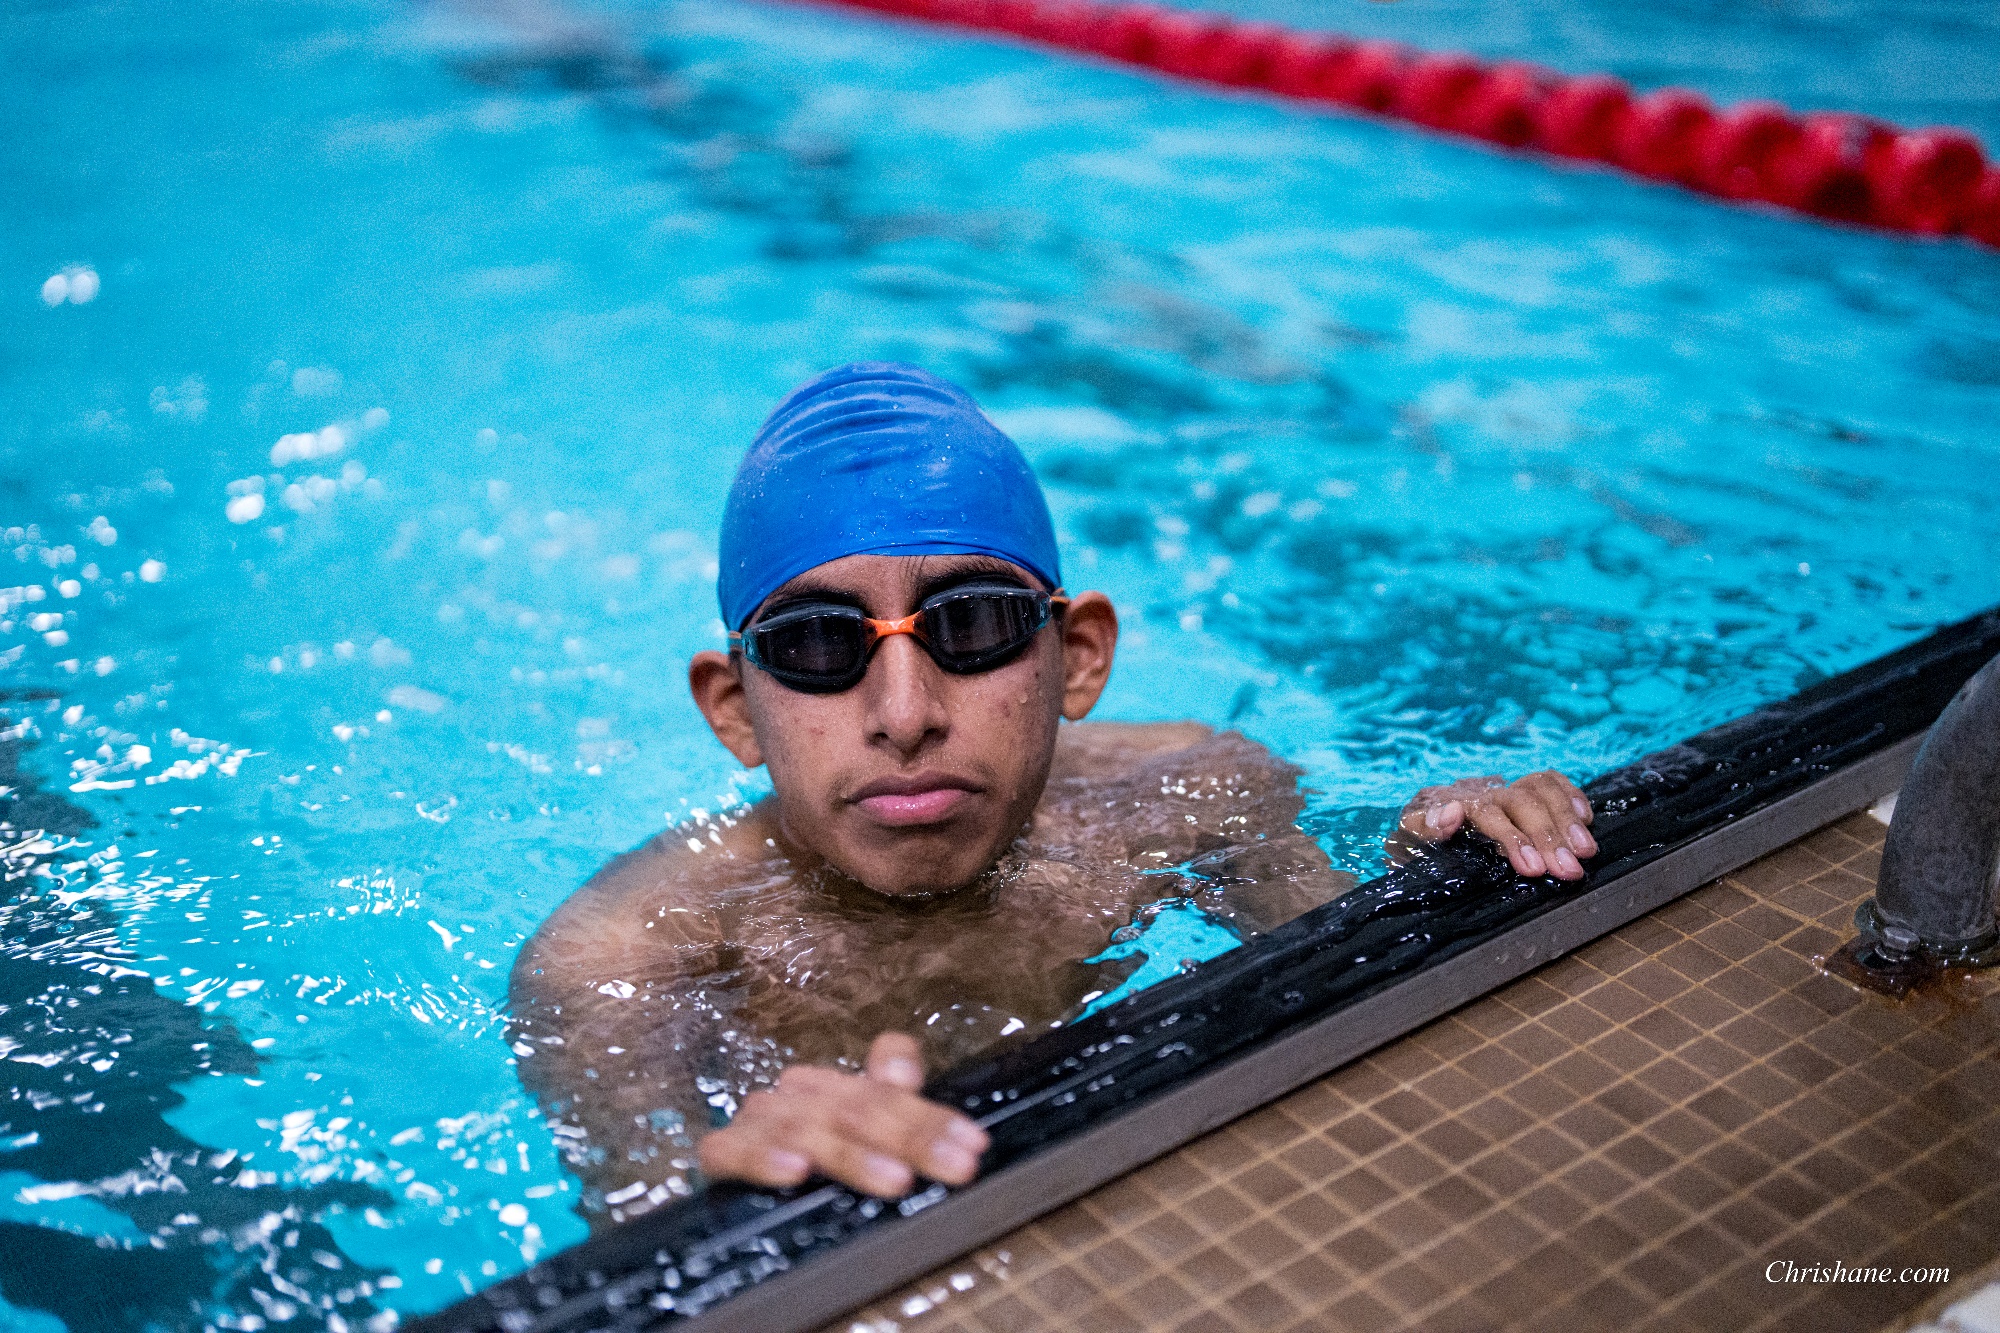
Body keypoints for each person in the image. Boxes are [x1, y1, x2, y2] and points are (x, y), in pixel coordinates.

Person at [508, 363, 1597, 1224]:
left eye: (970, 623)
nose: (903, 711)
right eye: (815, 644)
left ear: (1075, 656)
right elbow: (633, 1236)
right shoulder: (622, 961)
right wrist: (724, 1211)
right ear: (734, 706)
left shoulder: (1188, 791)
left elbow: (1348, 983)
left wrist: (1435, 877)